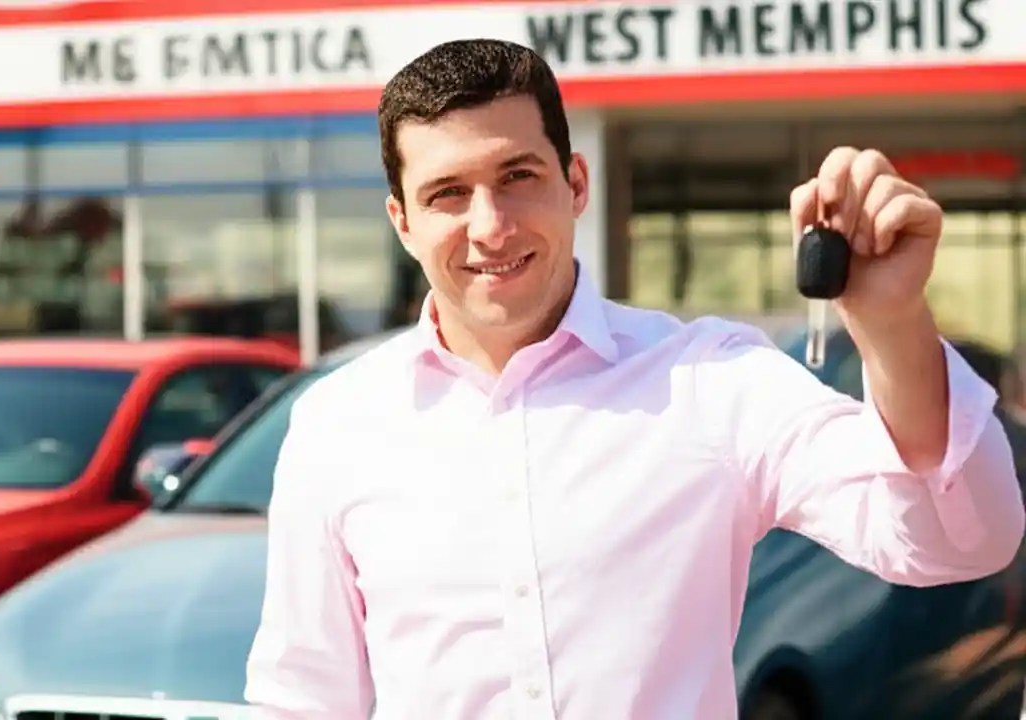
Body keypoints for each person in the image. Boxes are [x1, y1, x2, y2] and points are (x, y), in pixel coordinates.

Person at [243, 39, 1026, 719]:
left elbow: (960, 540)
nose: (489, 225)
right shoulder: (337, 424)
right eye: (448, 193)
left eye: (518, 175)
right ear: (402, 220)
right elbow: (304, 698)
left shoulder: (712, 380)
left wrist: (891, 323)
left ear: (575, 183)